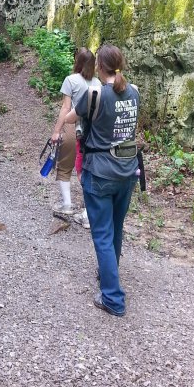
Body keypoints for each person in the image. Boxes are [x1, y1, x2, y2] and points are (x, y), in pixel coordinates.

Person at [63, 44, 139, 317]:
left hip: (100, 171)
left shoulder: (93, 93)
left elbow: (72, 117)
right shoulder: (134, 92)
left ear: (99, 67)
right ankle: (109, 274)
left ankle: (113, 298)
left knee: (103, 235)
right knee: (116, 228)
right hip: (127, 171)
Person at [50, 48, 100, 227]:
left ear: (77, 61)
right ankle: (88, 212)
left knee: (65, 166)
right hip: (93, 133)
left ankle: (67, 204)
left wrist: (57, 131)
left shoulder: (71, 80)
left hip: (73, 127)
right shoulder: (97, 82)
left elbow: (66, 108)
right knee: (87, 171)